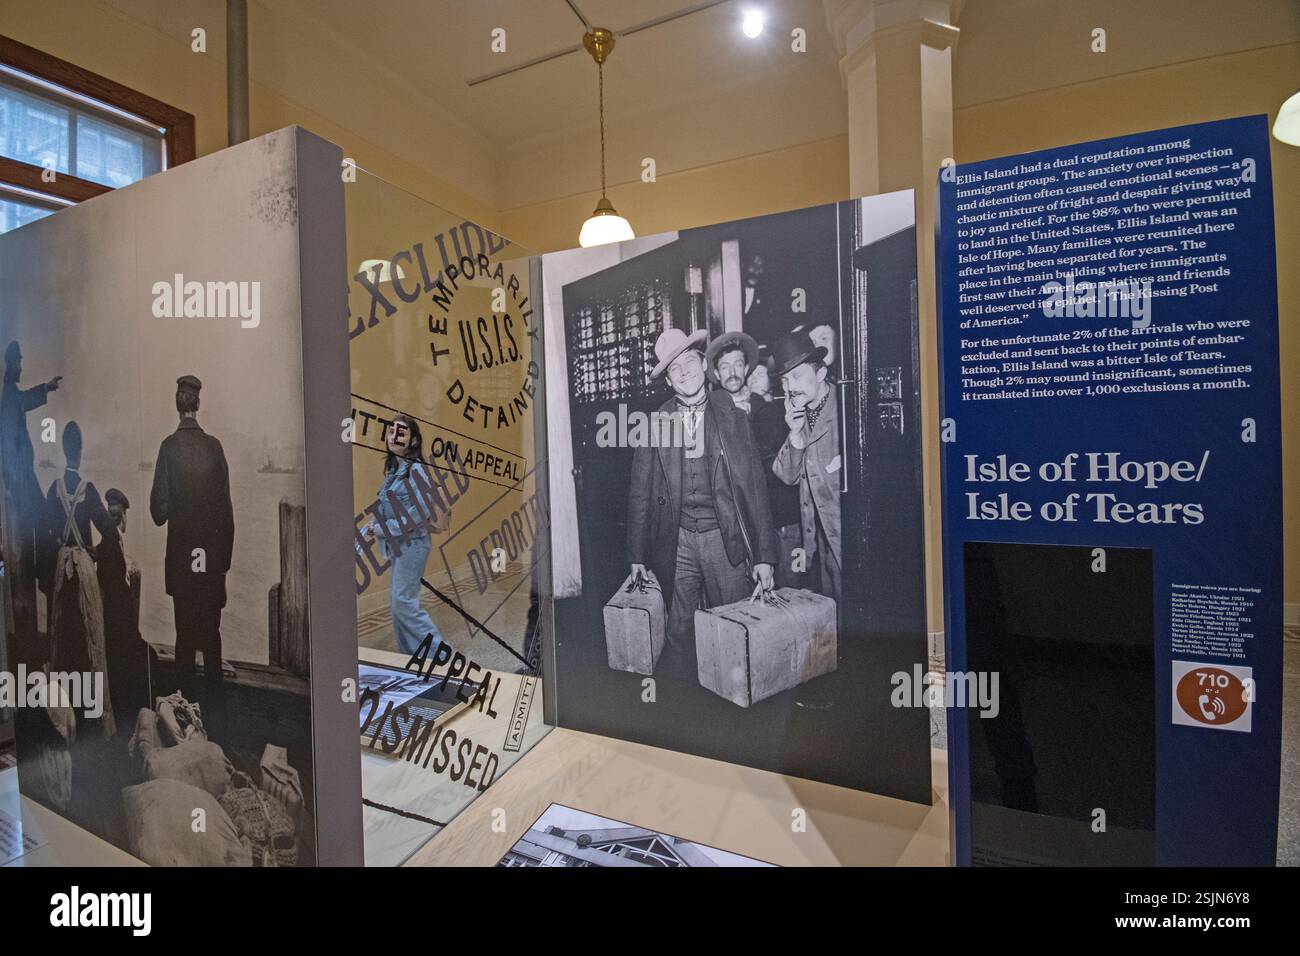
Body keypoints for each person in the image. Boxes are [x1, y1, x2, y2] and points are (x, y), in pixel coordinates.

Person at [627, 328, 779, 679]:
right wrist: (636, 554)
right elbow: (640, 494)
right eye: (674, 368)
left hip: (724, 540)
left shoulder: (733, 416)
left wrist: (766, 556)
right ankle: (684, 716)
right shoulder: (655, 423)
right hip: (677, 542)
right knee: (679, 632)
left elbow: (756, 490)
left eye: (689, 362)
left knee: (734, 626)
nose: (684, 372)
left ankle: (736, 712)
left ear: (702, 364)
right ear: (667, 380)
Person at [150, 375, 234, 736]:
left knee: (184, 640)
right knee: (212, 639)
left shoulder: (168, 448)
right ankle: (217, 725)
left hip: (183, 563)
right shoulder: (215, 448)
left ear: (177, 403)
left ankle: (185, 725)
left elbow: (158, 512)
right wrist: (222, 566)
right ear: (197, 404)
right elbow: (227, 517)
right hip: (211, 565)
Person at [41, 421, 116, 739]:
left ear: (62, 449)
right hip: (83, 572)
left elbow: (43, 536)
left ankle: (64, 717)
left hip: (61, 575)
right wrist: (93, 552)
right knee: (91, 644)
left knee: (64, 644)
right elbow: (110, 531)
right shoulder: (89, 491)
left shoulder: (53, 489)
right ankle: (92, 719)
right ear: (81, 452)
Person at [363, 414, 448, 656]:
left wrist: (381, 528)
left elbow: (419, 513)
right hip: (400, 545)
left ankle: (444, 658)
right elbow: (392, 508)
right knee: (398, 605)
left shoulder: (417, 469)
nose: (393, 436)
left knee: (404, 605)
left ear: (413, 440)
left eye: (400, 432)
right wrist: (375, 524)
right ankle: (410, 659)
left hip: (414, 544)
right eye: (390, 432)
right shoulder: (393, 471)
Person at [772, 329, 842, 604]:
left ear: (821, 373)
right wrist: (796, 433)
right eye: (785, 380)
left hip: (849, 547)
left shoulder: (844, 409)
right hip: (820, 548)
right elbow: (787, 476)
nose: (790, 387)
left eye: (797, 376)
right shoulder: (799, 417)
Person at [0, 340, 63, 645]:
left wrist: (46, 389)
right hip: (22, 482)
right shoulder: (9, 396)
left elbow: (24, 402)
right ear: (11, 364)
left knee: (43, 525)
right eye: (19, 362)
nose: (22, 366)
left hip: (22, 480)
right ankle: (46, 578)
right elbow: (6, 444)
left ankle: (43, 575)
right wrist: (12, 486)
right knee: (46, 524)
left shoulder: (10, 394)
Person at [97, 488, 151, 729]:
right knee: (149, 659)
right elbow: (117, 596)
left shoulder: (110, 541)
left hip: (116, 626)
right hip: (119, 628)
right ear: (123, 517)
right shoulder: (112, 542)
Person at [705, 331, 759, 414]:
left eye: (738, 365)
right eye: (725, 367)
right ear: (717, 374)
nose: (732, 373)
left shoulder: (759, 406)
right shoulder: (711, 410)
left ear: (745, 369)